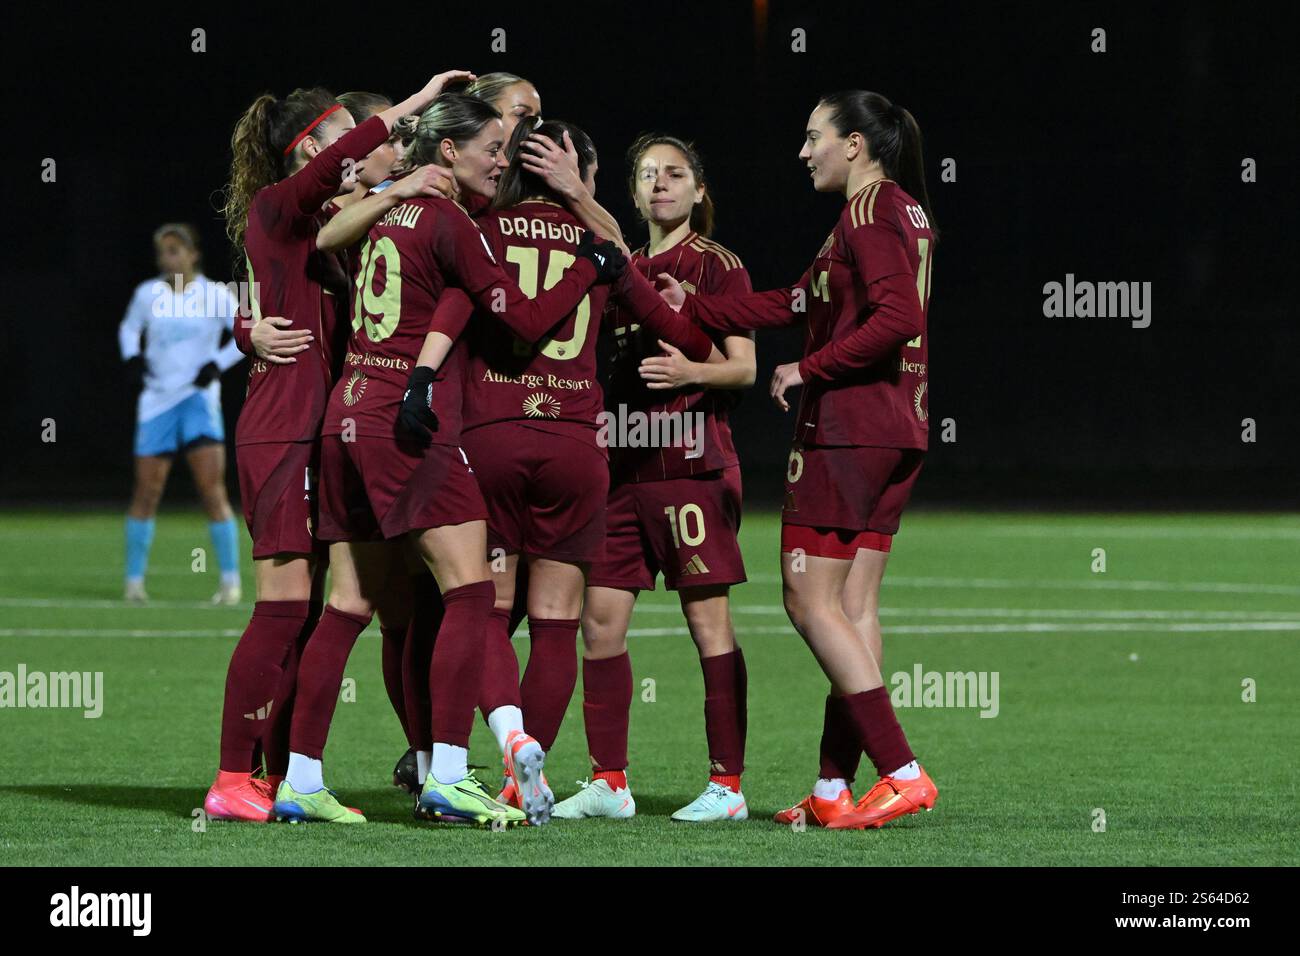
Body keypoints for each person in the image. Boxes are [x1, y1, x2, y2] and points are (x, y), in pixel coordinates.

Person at [272, 94, 630, 827]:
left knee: (346, 605)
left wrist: (394, 188)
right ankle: (450, 772)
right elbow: (524, 323)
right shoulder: (452, 223)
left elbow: (322, 238)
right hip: (405, 419)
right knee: (471, 595)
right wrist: (587, 267)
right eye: (491, 148)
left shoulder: (392, 209)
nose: (501, 161)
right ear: (448, 152)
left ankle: (300, 779)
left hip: (347, 408)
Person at [409, 117, 723, 818]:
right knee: (556, 623)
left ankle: (505, 736)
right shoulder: (601, 242)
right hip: (577, 446)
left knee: (484, 609)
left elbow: (450, 315)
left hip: (493, 436)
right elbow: (689, 335)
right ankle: (524, 780)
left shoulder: (479, 230)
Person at [656, 91, 939, 830]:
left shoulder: (870, 210)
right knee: (855, 609)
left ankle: (902, 770)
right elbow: (793, 300)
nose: (803, 151)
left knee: (806, 599)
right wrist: (698, 307)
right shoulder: (902, 209)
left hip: (851, 430)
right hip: (899, 424)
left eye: (814, 137)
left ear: (854, 144)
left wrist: (810, 370)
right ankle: (832, 788)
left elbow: (898, 316)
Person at [203, 72, 469, 823]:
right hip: (285, 429)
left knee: (315, 607)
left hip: (320, 430)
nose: (372, 145)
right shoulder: (280, 203)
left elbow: (268, 300)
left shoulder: (328, 222)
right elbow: (348, 158)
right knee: (283, 608)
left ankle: (285, 775)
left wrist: (245, 327)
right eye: (350, 135)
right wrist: (414, 104)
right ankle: (231, 776)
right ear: (313, 146)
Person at [553, 134, 755, 822]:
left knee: (709, 626)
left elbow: (744, 368)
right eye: (646, 176)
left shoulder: (719, 266)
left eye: (674, 174)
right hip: (620, 471)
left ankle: (726, 787)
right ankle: (609, 782)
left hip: (690, 467)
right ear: (633, 194)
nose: (659, 184)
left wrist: (692, 372)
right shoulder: (620, 265)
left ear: (699, 191)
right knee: (599, 625)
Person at [119, 224, 245, 605]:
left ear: (193, 254)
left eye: (175, 251)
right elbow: (129, 329)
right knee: (147, 492)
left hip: (198, 402)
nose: (168, 259)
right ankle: (134, 582)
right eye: (162, 252)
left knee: (212, 491)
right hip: (157, 402)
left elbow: (245, 334)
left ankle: (229, 581)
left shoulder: (215, 294)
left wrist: (216, 365)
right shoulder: (148, 294)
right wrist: (133, 359)